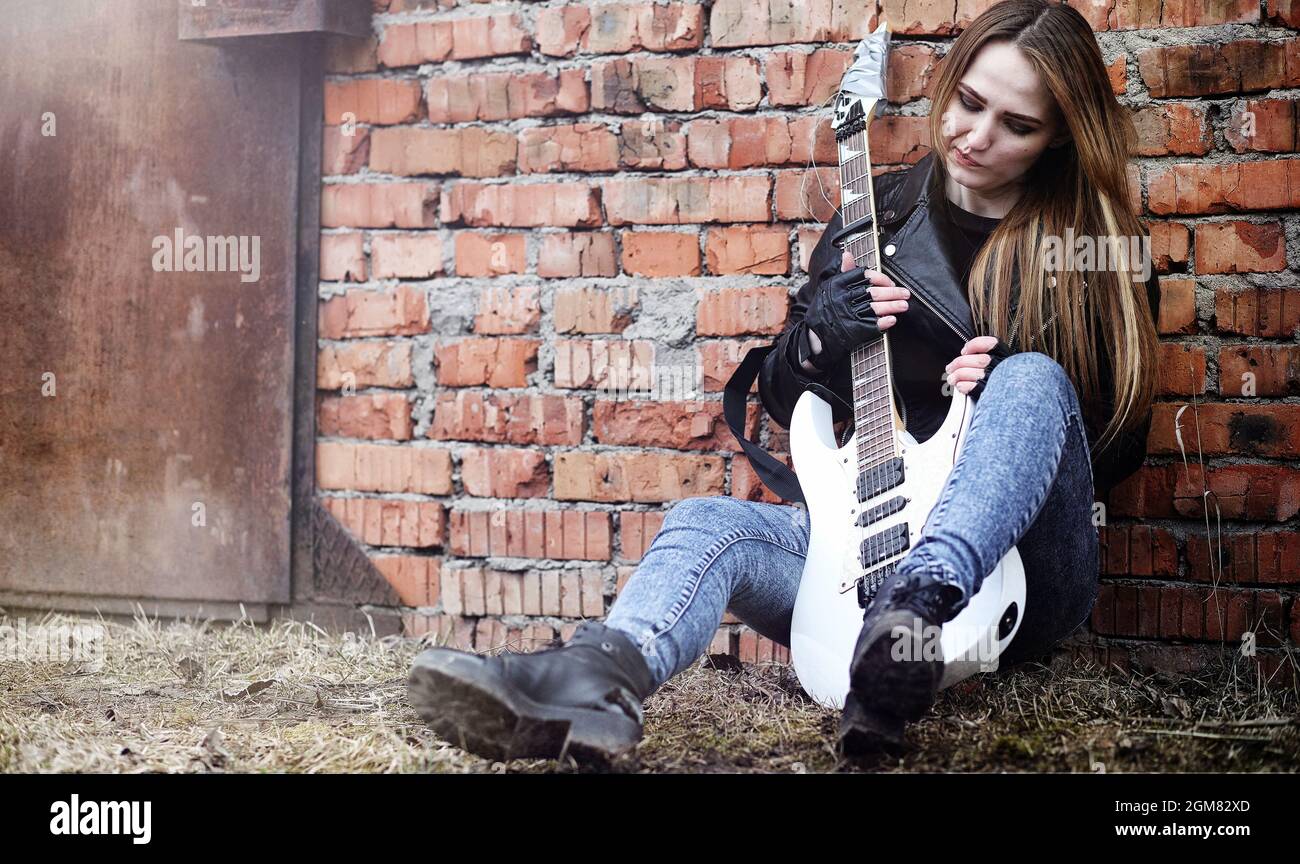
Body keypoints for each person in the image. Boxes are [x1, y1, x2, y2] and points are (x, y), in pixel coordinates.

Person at [407, 0, 1162, 767]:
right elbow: (776, 396)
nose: (975, 135)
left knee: (1032, 379)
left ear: (1060, 135)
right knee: (707, 521)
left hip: (1021, 572)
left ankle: (915, 611)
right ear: (950, 83)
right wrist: (815, 337)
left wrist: (1007, 395)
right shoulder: (879, 217)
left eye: (1016, 125)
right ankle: (601, 677)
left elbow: (1120, 446)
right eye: (968, 103)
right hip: (869, 541)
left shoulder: (1093, 249)